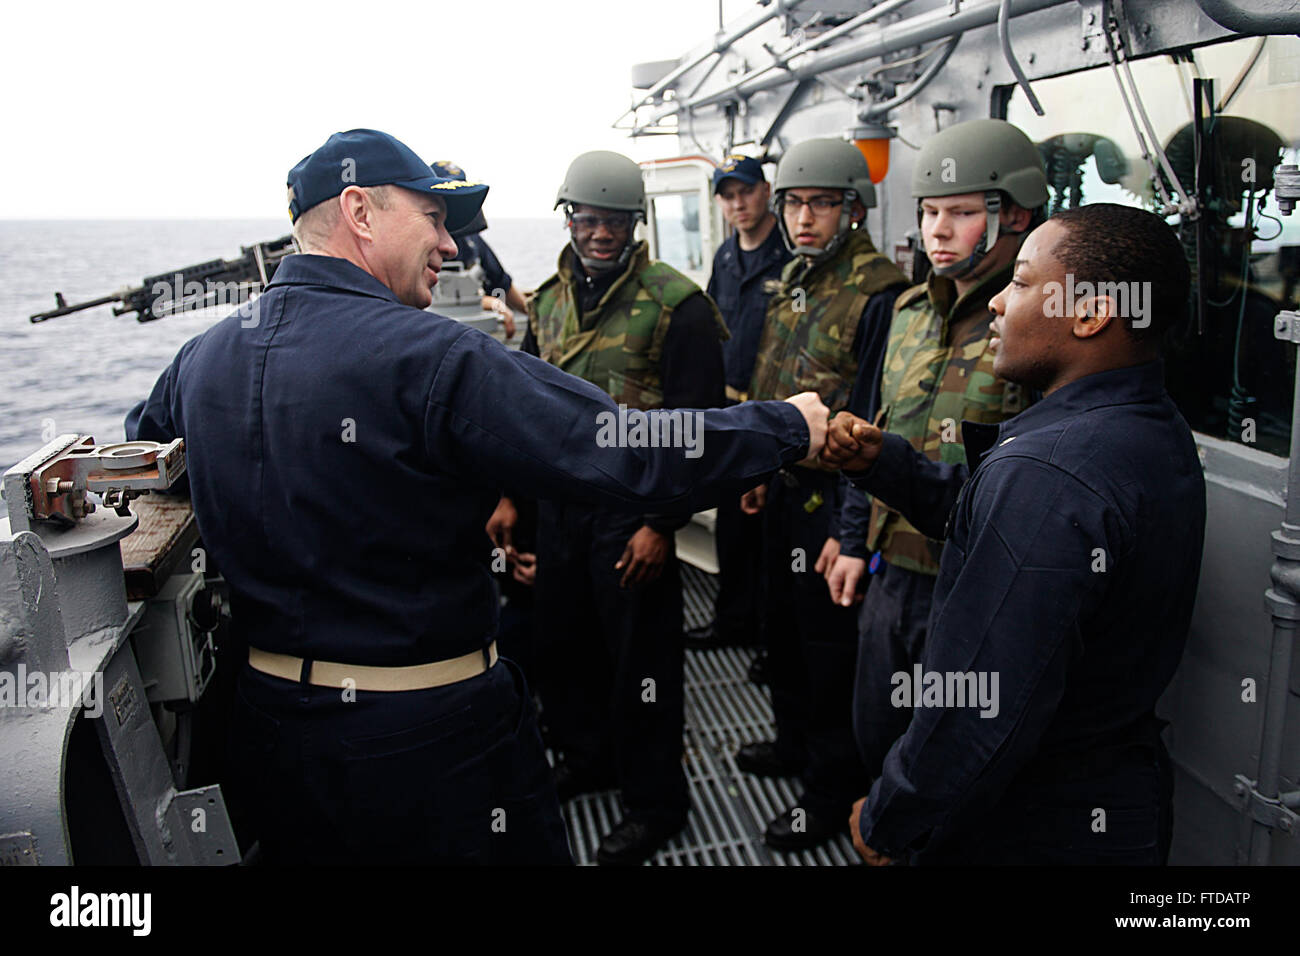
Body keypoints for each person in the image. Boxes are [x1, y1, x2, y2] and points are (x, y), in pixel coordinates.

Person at [124, 128, 829, 866]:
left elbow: (145, 464)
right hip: (428, 737)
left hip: (267, 728)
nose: (453, 247)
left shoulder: (201, 358)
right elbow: (627, 452)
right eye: (433, 219)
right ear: (361, 210)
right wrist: (784, 425)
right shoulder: (433, 356)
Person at [822, 203, 1205, 865]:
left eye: (1023, 283)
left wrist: (893, 816)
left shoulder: (1051, 471)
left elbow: (979, 701)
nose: (998, 303)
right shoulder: (1139, 425)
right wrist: (885, 465)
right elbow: (1000, 529)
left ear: (1090, 314)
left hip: (1029, 825)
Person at [500, 149, 728, 865]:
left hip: (634, 514)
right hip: (562, 509)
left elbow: (697, 435)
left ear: (638, 223)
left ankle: (655, 802)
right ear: (569, 218)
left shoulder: (679, 306)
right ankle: (588, 755)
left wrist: (662, 526)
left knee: (643, 667)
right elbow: (527, 409)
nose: (601, 233)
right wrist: (512, 497)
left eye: (617, 221)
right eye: (589, 219)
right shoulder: (549, 299)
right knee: (561, 649)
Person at [826, 118, 1047, 782]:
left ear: (1015, 215)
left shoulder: (1041, 324)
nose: (937, 231)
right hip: (892, 570)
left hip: (977, 583)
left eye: (959, 212)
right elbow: (874, 424)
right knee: (877, 730)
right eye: (928, 213)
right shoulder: (907, 310)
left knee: (955, 757)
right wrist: (852, 538)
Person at [737, 137, 908, 850]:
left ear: (854, 209)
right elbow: (770, 377)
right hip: (783, 486)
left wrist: (849, 526)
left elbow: (874, 413)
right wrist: (755, 461)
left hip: (834, 506)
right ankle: (792, 742)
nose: (805, 218)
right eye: (795, 203)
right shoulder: (791, 276)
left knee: (830, 647)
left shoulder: (880, 293)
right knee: (782, 631)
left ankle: (829, 786)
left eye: (822, 203)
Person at [687, 154, 792, 652]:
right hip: (730, 415)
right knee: (733, 528)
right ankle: (731, 625)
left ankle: (771, 643)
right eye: (727, 196)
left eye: (745, 192)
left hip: (777, 414)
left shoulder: (792, 256)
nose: (737, 204)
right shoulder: (725, 259)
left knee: (775, 539)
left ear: (766, 190)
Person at [430, 160, 528, 340]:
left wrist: (535, 316)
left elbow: (501, 283)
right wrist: (492, 303)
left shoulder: (472, 240)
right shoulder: (422, 240)